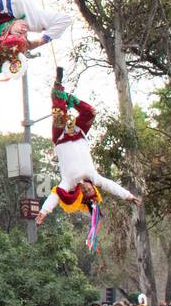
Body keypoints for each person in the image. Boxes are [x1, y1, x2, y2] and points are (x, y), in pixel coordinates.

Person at [35, 76, 141, 230]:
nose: (86, 188)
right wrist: (129, 196)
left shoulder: (68, 182)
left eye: (84, 191)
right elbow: (111, 186)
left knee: (59, 114)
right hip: (78, 132)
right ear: (93, 188)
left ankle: (58, 90)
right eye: (90, 190)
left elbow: (55, 197)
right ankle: (70, 99)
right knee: (91, 112)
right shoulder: (94, 177)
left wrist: (44, 212)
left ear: (80, 192)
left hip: (61, 137)